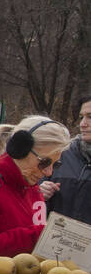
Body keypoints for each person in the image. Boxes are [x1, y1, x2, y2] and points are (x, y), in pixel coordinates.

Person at [0, 115, 71, 266]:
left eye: (55, 165)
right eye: (44, 162)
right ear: (20, 149)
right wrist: (38, 237)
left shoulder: (33, 188)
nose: (49, 172)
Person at [46, 95, 91, 225]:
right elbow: (28, 201)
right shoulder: (59, 154)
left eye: (90, 117)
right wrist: (40, 193)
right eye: (82, 117)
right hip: (54, 241)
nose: (83, 124)